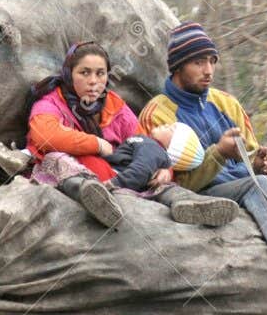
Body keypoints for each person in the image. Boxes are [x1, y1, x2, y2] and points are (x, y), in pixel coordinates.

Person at [138, 22, 267, 264]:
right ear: (177, 66)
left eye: (212, 61)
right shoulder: (157, 115)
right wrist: (219, 154)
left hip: (255, 193)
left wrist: (261, 164)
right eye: (198, 62)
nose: (208, 70)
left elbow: (252, 160)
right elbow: (170, 184)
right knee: (257, 185)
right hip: (205, 196)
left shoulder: (227, 103)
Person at [19, 41, 236, 229]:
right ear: (69, 74)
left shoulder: (113, 104)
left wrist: (166, 169)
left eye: (100, 74)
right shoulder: (51, 101)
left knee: (155, 177)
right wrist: (97, 144)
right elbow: (45, 135)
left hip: (116, 173)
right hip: (82, 173)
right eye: (84, 73)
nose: (94, 81)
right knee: (56, 159)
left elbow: (146, 142)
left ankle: (188, 204)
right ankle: (97, 198)